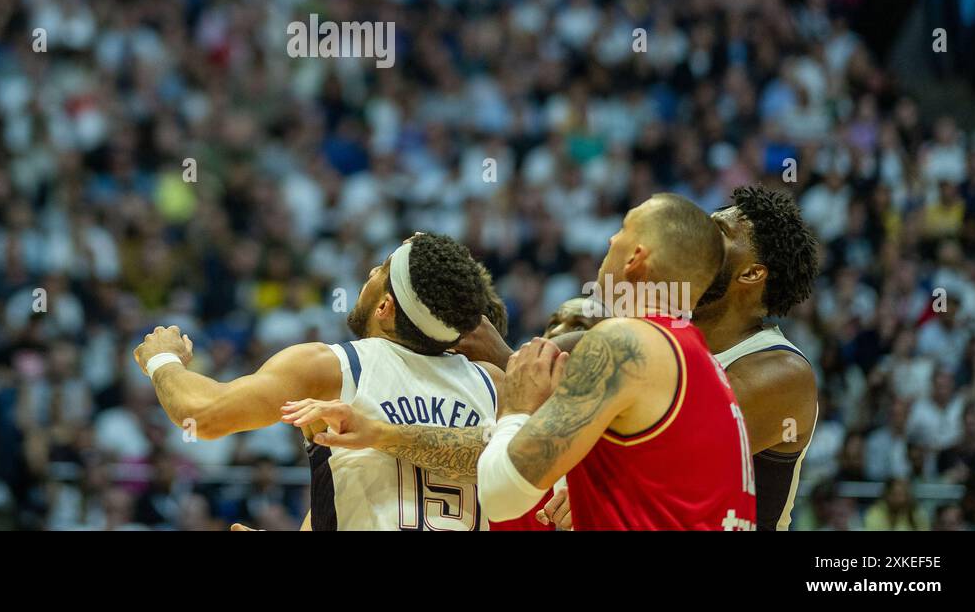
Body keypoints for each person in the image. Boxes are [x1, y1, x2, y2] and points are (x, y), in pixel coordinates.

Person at [287, 194, 756, 530]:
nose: (608, 241)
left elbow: (502, 491)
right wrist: (382, 433)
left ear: (635, 257)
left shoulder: (623, 343)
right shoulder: (704, 365)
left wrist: (515, 407)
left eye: (620, 233)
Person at [133, 232, 500, 531]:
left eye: (381, 269)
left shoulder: (331, 367)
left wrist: (163, 360)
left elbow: (203, 416)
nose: (371, 271)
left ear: (385, 307)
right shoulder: (495, 385)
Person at [691, 184, 820, 530]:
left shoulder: (782, 373)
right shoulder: (668, 331)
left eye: (718, 232)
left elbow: (670, 452)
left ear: (750, 273)